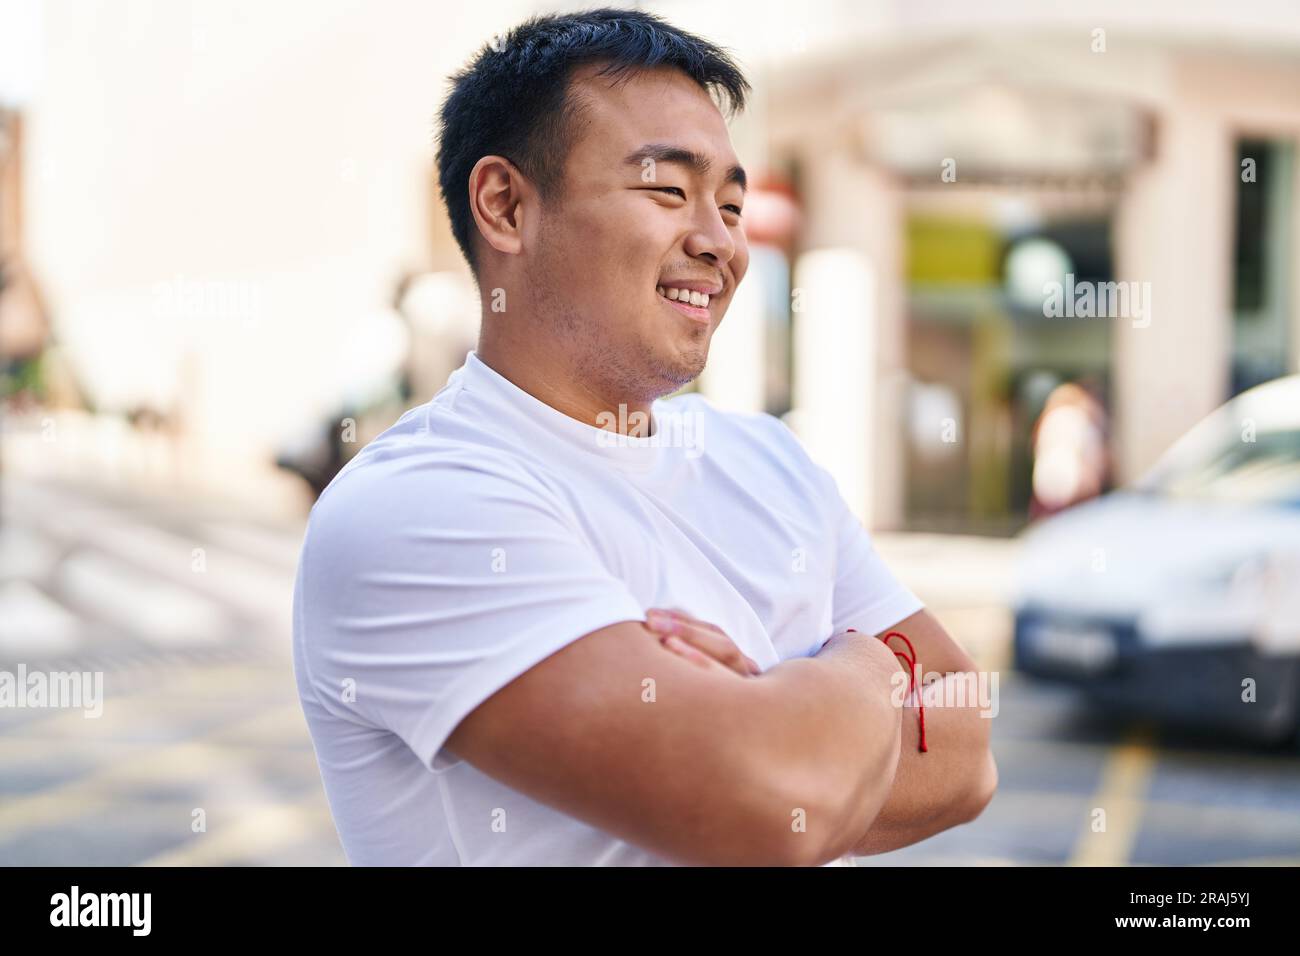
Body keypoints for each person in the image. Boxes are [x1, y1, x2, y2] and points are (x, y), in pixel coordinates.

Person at [292, 7, 996, 867]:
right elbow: (770, 806)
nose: (719, 243)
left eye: (731, 204)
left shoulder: (771, 462)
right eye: (668, 190)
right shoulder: (414, 506)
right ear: (506, 205)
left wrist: (783, 718)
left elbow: (966, 751)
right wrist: (866, 673)